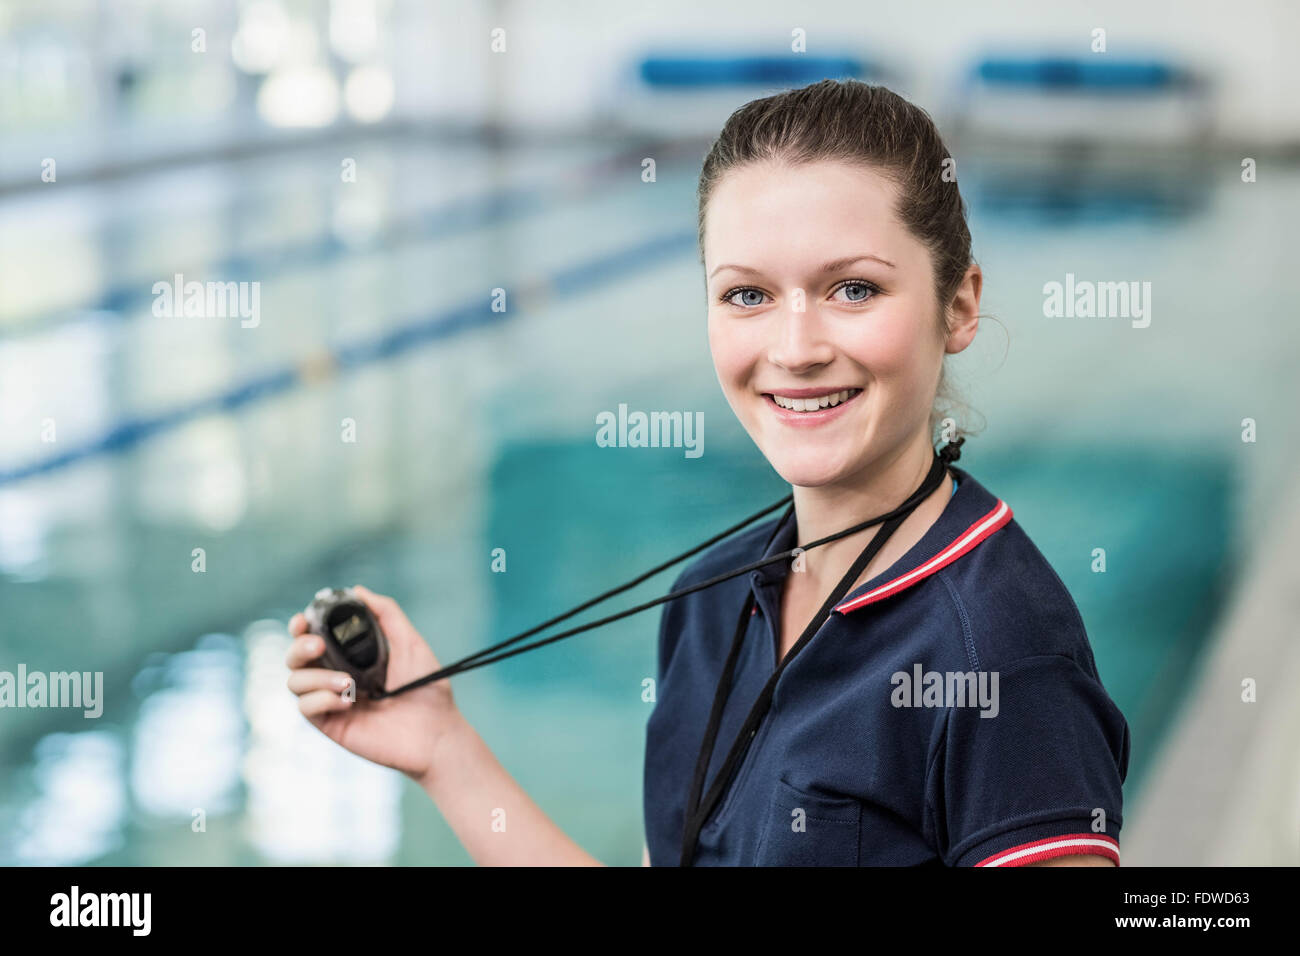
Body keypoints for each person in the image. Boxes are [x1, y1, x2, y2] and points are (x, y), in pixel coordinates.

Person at [285, 79, 1130, 867]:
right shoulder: (712, 597)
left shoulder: (1003, 654)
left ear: (959, 306)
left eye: (854, 289)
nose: (796, 350)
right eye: (748, 296)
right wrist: (442, 750)